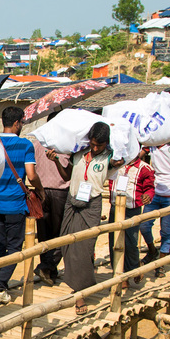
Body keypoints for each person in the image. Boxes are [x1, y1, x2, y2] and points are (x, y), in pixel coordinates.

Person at [53, 122, 114, 312]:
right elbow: (66, 176)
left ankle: (80, 294)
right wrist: (56, 160)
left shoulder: (110, 157)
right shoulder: (78, 154)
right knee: (67, 244)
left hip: (92, 204)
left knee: (84, 247)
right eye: (94, 144)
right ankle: (78, 282)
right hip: (72, 202)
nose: (96, 149)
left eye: (100, 145)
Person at [0, 106, 44, 303]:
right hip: (14, 204)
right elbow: (31, 175)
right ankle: (0, 287)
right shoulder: (25, 145)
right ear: (18, 123)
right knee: (15, 247)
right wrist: (40, 190)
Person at [107, 144, 156, 287]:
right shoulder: (115, 165)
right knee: (113, 241)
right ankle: (119, 274)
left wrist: (147, 195)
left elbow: (150, 188)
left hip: (132, 209)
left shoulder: (145, 168)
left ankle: (133, 268)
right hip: (115, 207)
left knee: (131, 242)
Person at [30, 127, 69, 286]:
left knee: (44, 233)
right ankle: (46, 266)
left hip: (42, 190)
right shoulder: (65, 144)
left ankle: (49, 270)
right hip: (60, 191)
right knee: (60, 233)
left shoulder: (36, 144)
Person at [141, 136, 170, 274]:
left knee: (166, 231)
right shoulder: (153, 144)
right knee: (144, 225)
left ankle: (160, 263)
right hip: (154, 191)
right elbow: (138, 157)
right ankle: (152, 250)